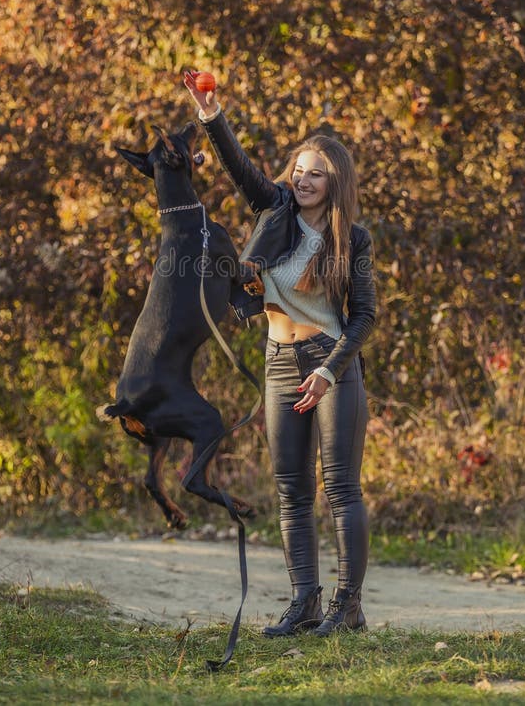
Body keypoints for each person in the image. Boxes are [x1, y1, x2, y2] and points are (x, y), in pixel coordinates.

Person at [184, 71, 377, 637]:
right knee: (291, 490)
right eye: (299, 171)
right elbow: (237, 165)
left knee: (339, 487)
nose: (304, 180)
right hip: (277, 360)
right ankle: (304, 602)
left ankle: (348, 606)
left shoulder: (353, 238)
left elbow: (363, 317)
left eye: (317, 174)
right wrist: (210, 113)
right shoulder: (275, 210)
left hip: (330, 364)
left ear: (335, 182)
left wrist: (327, 368)